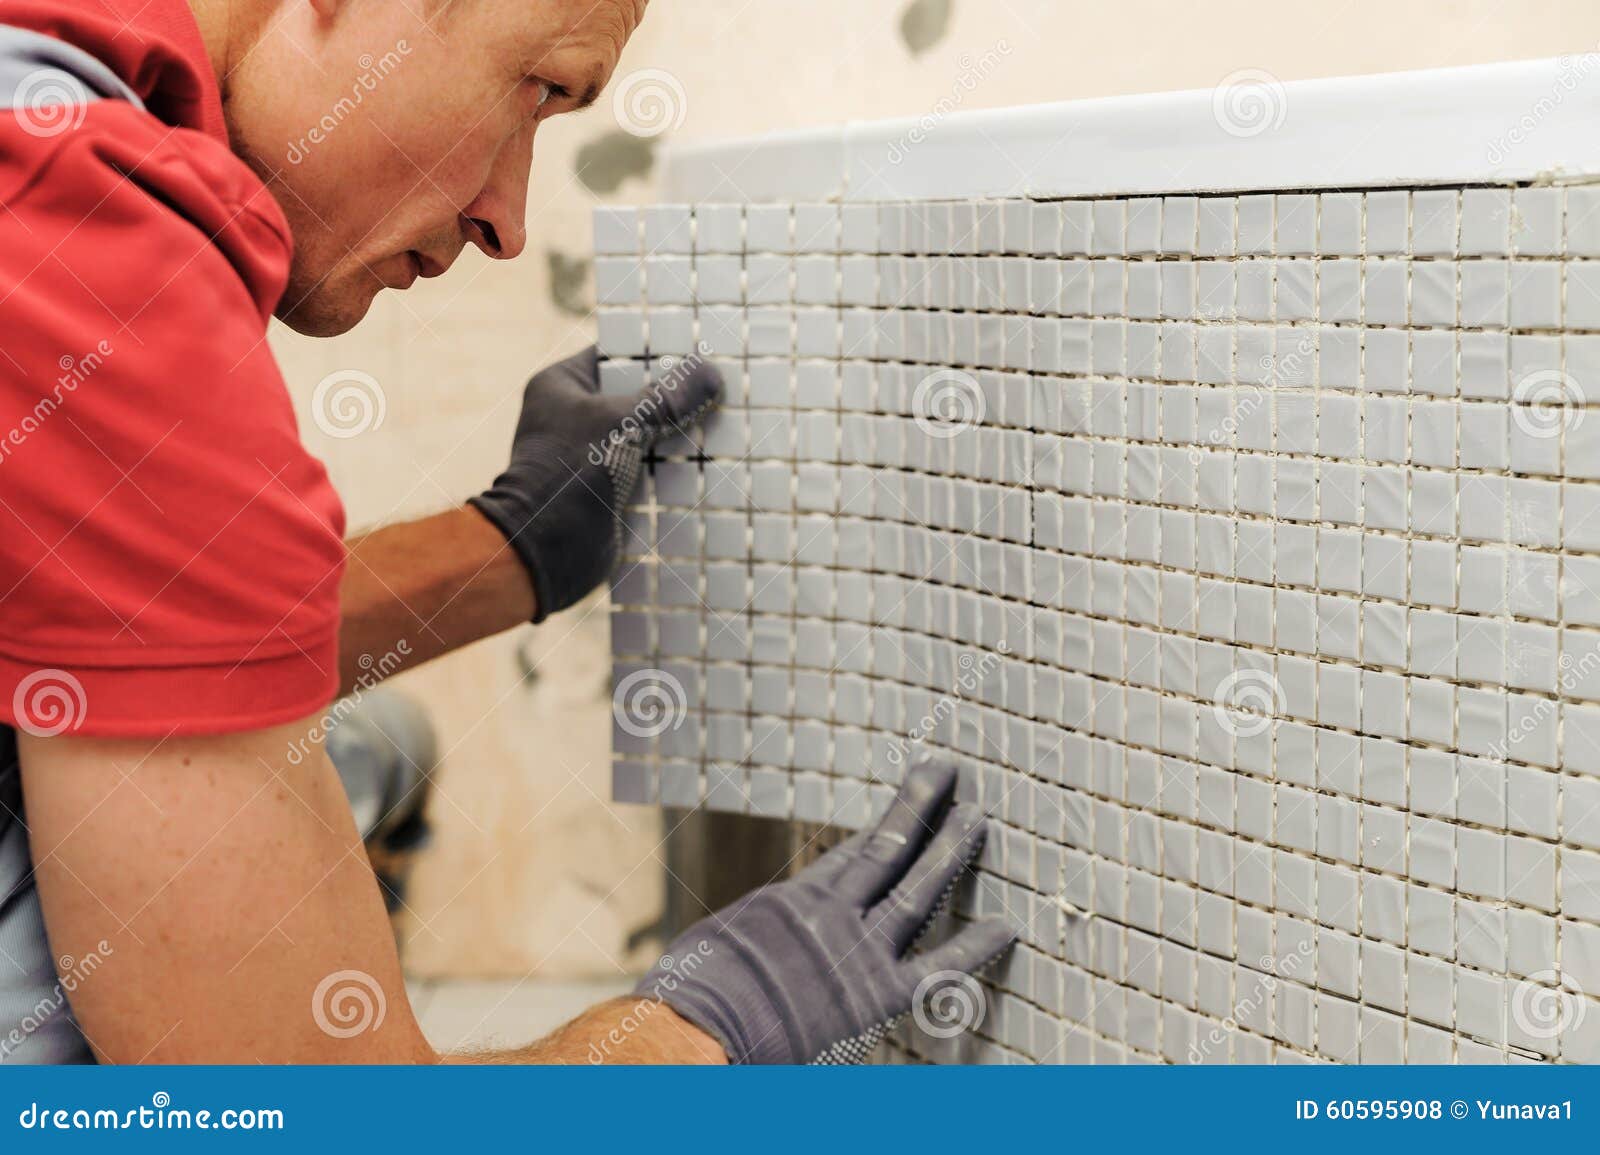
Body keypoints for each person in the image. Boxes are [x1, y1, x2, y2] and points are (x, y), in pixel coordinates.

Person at [0, 0, 1013, 1064]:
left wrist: (512, 546)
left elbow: (119, 635)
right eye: (539, 89)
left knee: (376, 746)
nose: (506, 221)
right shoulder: (82, 228)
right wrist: (705, 1028)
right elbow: (306, 1116)